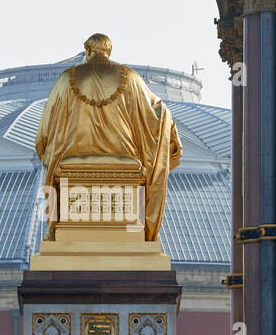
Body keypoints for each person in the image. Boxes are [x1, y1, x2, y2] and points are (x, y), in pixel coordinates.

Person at [33, 33, 182, 242]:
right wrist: (170, 128)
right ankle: (133, 235)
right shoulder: (130, 78)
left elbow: (46, 127)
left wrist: (44, 148)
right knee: (133, 233)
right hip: (126, 162)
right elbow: (155, 112)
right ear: (108, 51)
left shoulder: (67, 78)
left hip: (70, 166)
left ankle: (64, 233)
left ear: (87, 50)